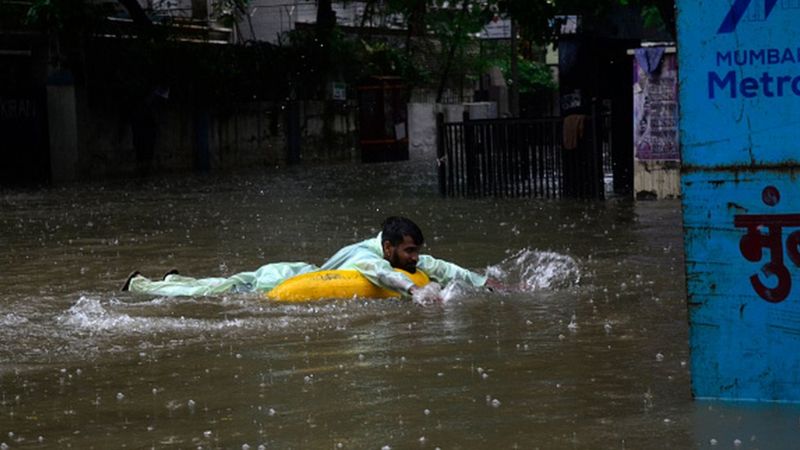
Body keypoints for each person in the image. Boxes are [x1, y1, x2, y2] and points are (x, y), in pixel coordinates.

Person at [122, 216, 492, 298]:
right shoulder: (370, 257)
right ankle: (140, 285)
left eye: (416, 251)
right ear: (388, 247)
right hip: (284, 278)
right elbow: (382, 275)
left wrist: (485, 283)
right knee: (220, 291)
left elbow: (438, 266)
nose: (415, 259)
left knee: (228, 282)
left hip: (298, 269)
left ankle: (173, 279)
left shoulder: (402, 256)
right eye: (409, 251)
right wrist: (416, 293)